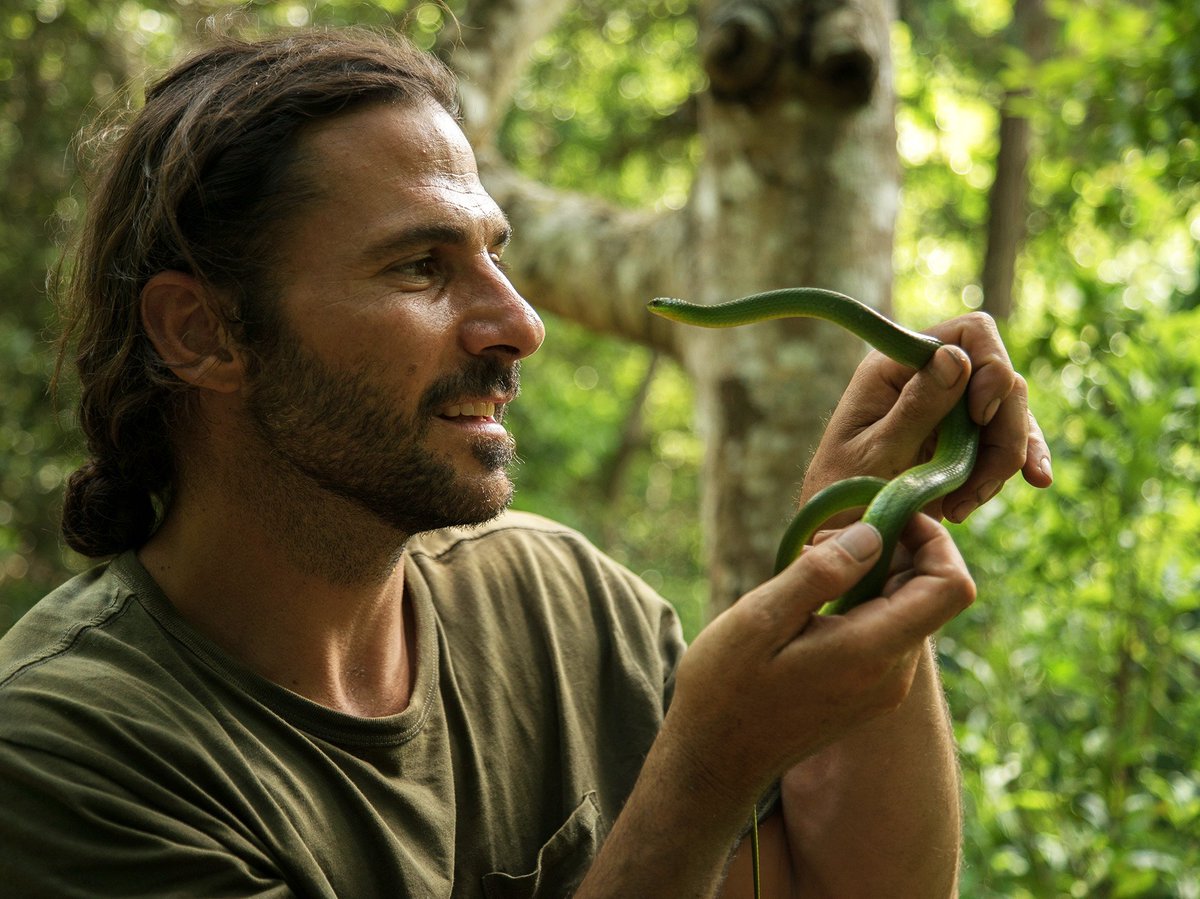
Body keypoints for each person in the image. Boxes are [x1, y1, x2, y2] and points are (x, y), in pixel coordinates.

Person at [0, 28, 1051, 898]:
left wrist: (855, 539)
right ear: (201, 332)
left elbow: (840, 888)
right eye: (421, 265)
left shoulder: (559, 603)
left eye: (494, 254)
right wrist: (701, 769)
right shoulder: (65, 755)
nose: (519, 323)